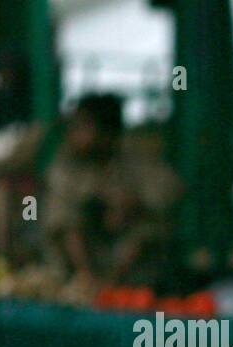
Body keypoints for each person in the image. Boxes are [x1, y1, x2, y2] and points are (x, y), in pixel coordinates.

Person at [43, 93, 181, 287]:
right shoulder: (66, 164)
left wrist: (132, 205)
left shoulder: (135, 158)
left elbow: (169, 192)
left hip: (131, 262)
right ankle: (86, 281)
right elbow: (64, 216)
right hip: (86, 256)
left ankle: (113, 285)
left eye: (84, 126)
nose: (75, 133)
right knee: (61, 215)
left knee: (153, 227)